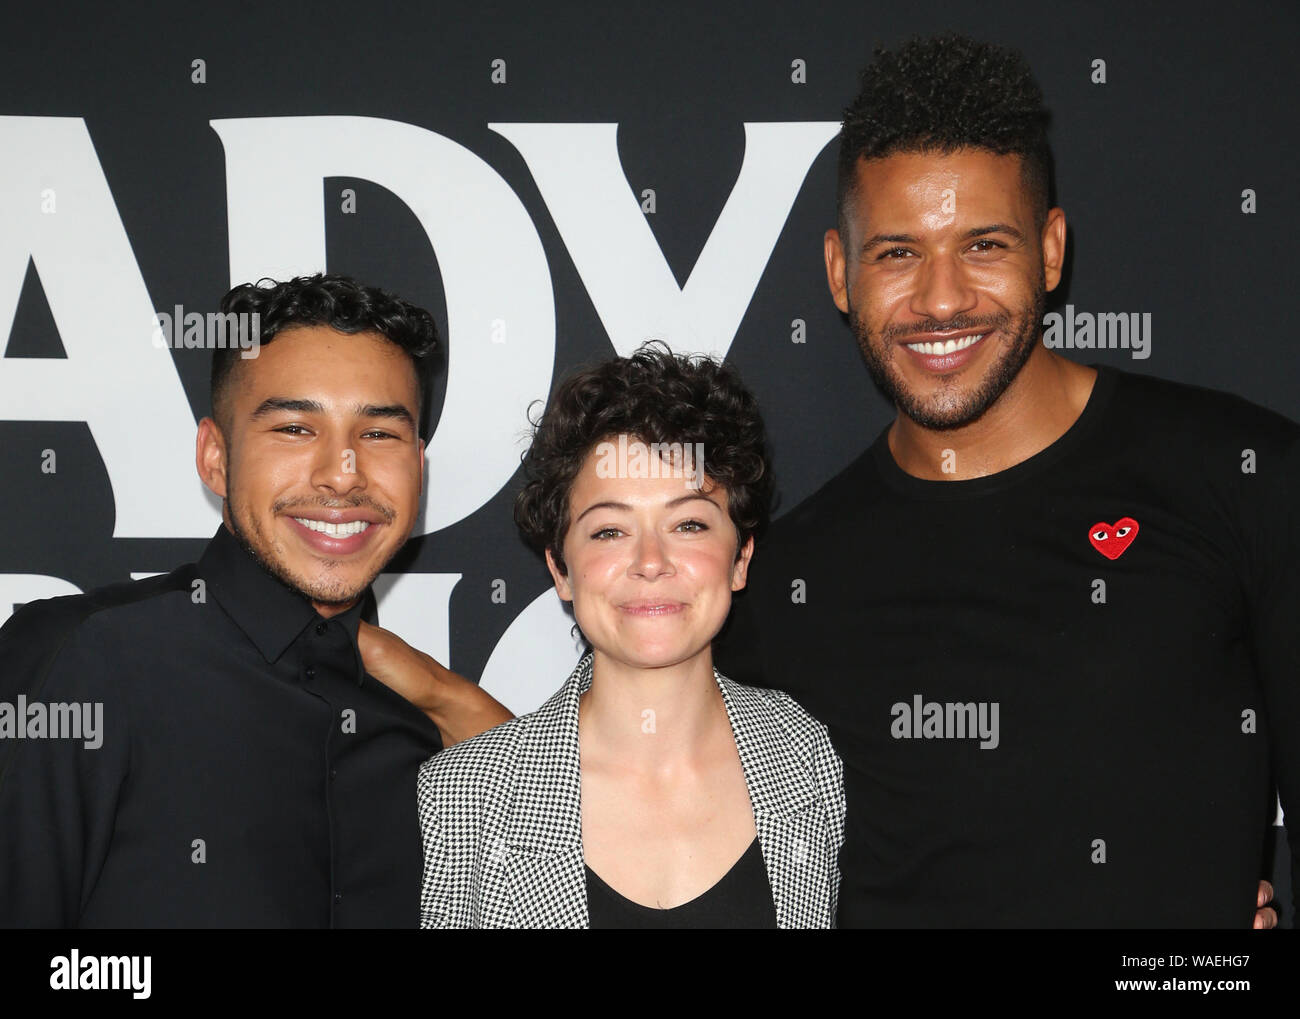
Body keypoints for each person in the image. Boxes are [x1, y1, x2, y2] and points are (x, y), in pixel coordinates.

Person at [711, 33, 1297, 927]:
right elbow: (614, 794)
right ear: (840, 271)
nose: (942, 300)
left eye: (983, 244)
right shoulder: (785, 581)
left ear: (1052, 250)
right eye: (898, 253)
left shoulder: (1247, 477)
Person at [0, 273, 509, 927]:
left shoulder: (433, 738)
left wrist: (465, 712)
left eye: (379, 434)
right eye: (296, 428)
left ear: (418, 466)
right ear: (215, 458)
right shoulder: (84, 661)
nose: (341, 473)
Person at [412, 345, 844, 928]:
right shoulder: (463, 798)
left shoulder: (804, 753)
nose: (650, 561)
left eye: (688, 524)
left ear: (740, 559)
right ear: (560, 570)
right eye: (610, 530)